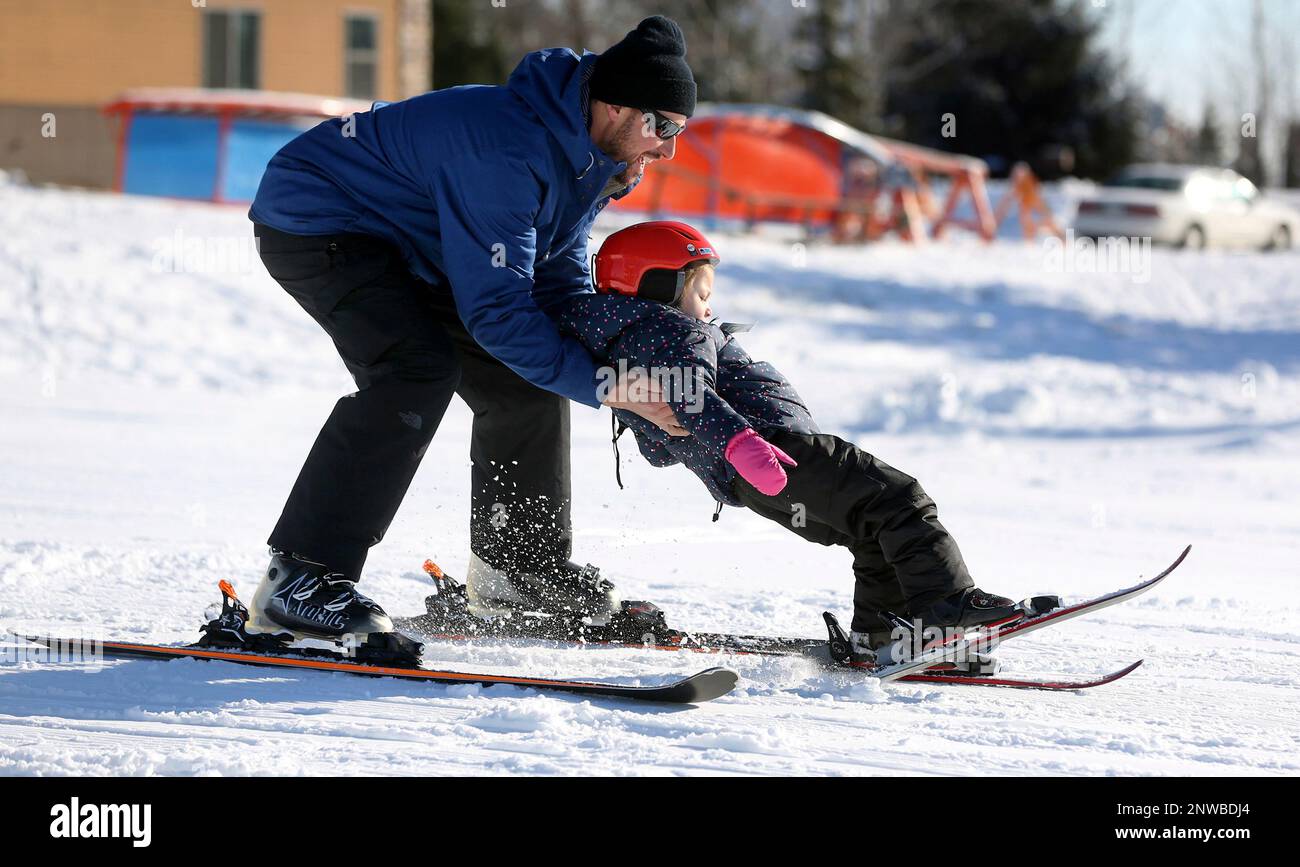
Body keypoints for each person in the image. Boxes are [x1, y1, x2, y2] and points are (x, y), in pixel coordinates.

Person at [244, 17, 699, 641]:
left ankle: (518, 570)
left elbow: (553, 272)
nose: (669, 148)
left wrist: (611, 351)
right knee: (414, 367)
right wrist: (603, 385)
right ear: (613, 105)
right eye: (662, 126)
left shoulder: (591, 154)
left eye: (680, 131)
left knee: (528, 377)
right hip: (321, 219)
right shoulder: (504, 150)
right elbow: (498, 313)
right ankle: (300, 578)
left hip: (418, 242)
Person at [552, 221, 1021, 659]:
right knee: (899, 500)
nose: (709, 308)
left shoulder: (628, 341)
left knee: (871, 526)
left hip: (749, 479)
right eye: (701, 293)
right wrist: (741, 443)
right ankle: (946, 605)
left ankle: (889, 637)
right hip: (775, 452)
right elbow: (688, 392)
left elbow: (660, 443)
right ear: (658, 286)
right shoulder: (673, 330)